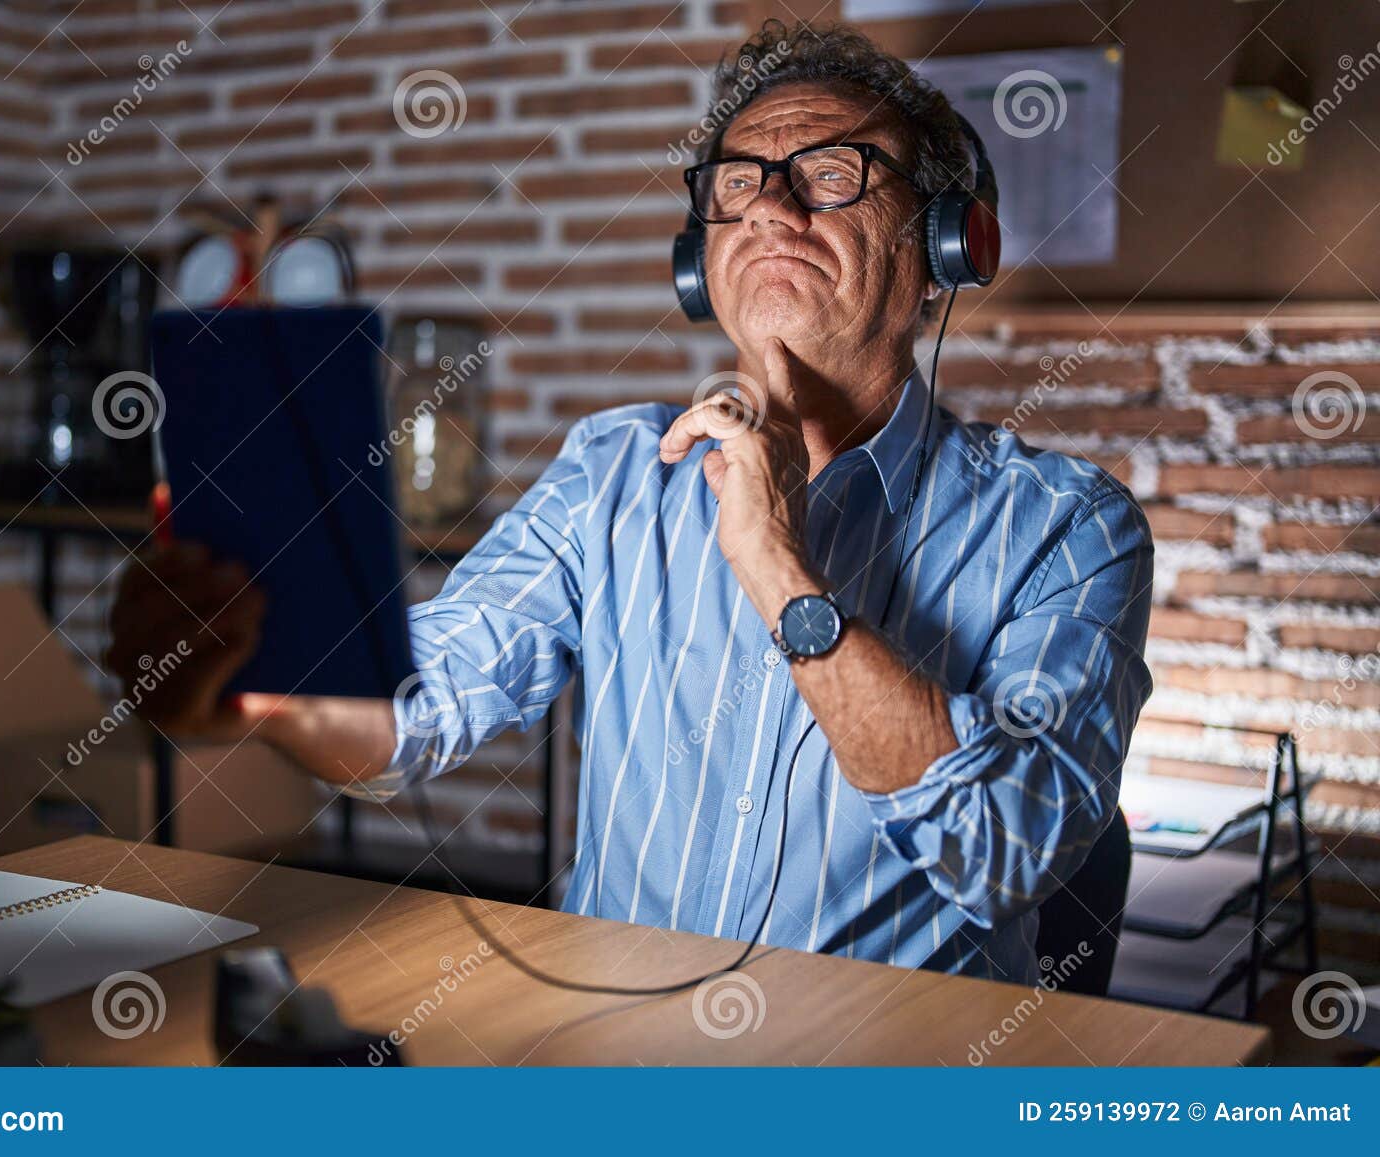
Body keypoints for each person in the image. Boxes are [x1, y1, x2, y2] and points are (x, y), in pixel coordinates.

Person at [108, 22, 1153, 985]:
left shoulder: (1069, 527)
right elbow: (418, 709)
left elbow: (1005, 846)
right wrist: (264, 682)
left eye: (831, 174)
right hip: (614, 1059)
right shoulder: (615, 469)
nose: (772, 210)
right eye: (736, 184)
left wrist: (778, 566)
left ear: (946, 249)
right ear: (698, 262)